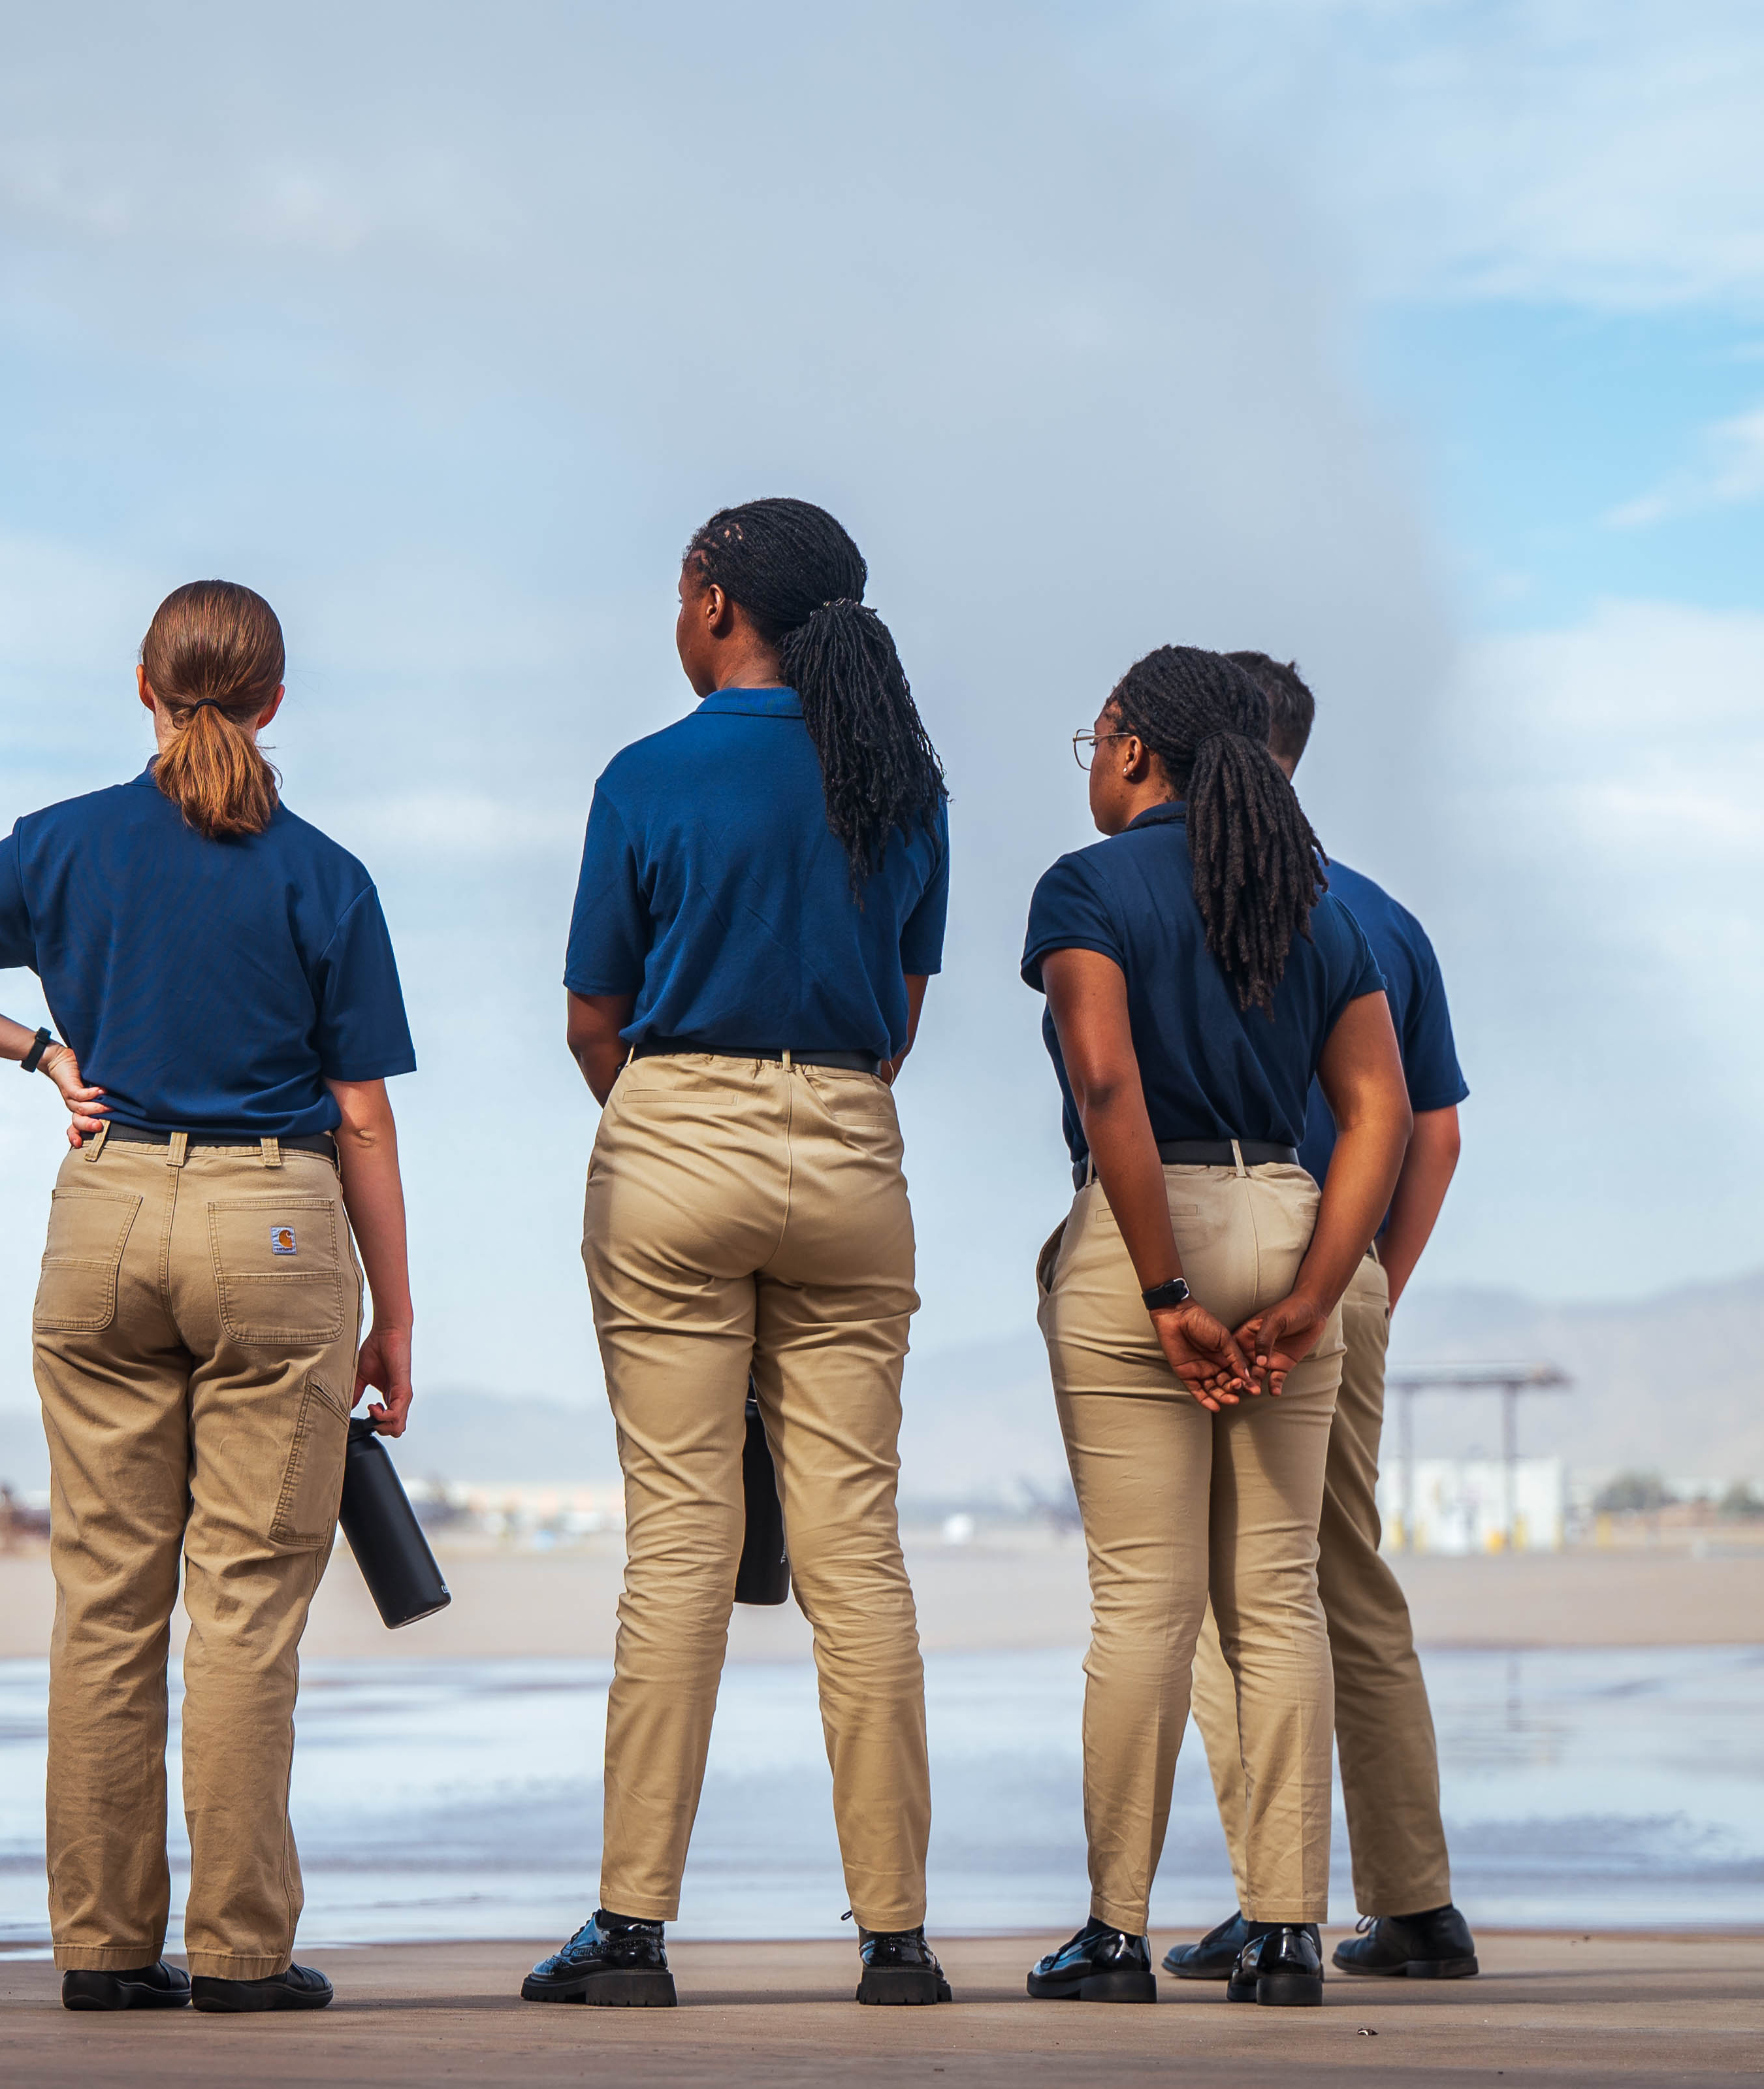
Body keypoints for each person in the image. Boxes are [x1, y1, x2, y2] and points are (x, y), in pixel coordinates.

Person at [0, 579, 416, 2017]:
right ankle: (239, 1954)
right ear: (273, 702)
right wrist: (393, 1316)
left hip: (102, 1216)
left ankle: (102, 1950)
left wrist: (41, 1053)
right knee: (243, 1609)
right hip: (271, 1227)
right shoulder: (326, 875)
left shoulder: (59, 844)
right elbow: (359, 1116)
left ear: (142, 689)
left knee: (104, 1601)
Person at [534, 498, 954, 2011]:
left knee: (678, 1546)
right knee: (855, 1553)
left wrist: (673, 1123)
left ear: (713, 604)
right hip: (847, 1143)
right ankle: (895, 1941)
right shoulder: (901, 784)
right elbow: (898, 1017)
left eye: (679, 594)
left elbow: (591, 1017)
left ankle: (631, 1930)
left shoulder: (645, 775)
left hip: (672, 1135)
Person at [1019, 645, 1411, 2011]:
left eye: (1096, 736)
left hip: (1152, 1221)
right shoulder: (1307, 897)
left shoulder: (1085, 887)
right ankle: (1288, 1932)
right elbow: (1378, 1110)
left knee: (1144, 1601)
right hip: (1288, 1211)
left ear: (1132, 747)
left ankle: (1112, 1936)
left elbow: (1106, 1083)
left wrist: (1165, 1293)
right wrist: (1311, 1293)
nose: (1092, 760)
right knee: (1277, 1594)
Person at [1163, 653, 1479, 1984]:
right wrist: (1365, 1283)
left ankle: (1269, 1895)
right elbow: (1430, 1131)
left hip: (1210, 1268)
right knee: (1342, 1572)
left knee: (1222, 1584)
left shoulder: (1170, 896)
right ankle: (1414, 1902)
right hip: (1338, 1277)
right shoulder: (1379, 915)